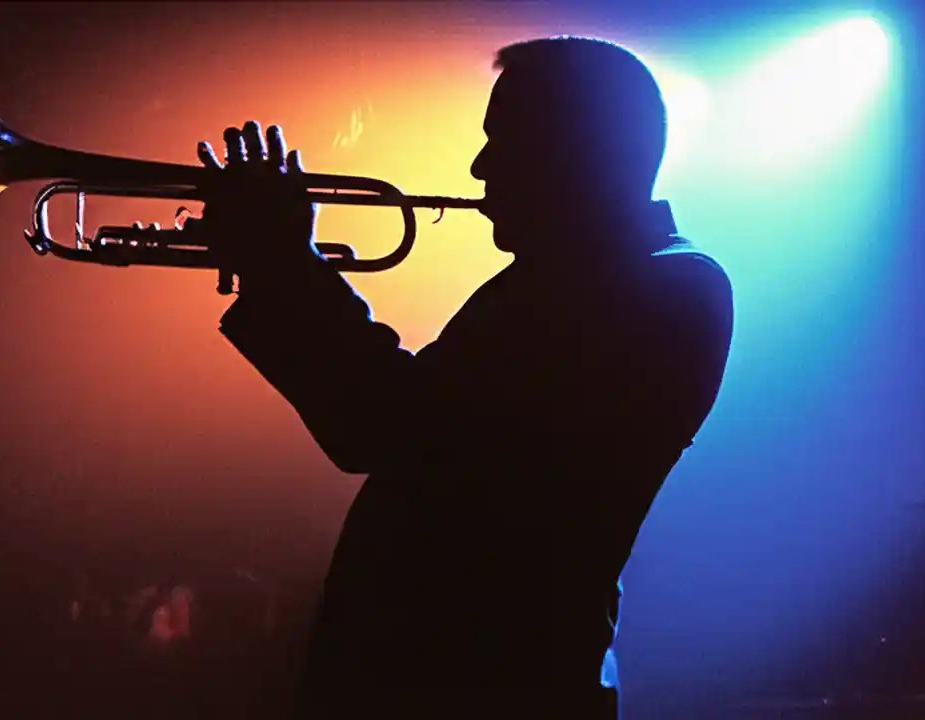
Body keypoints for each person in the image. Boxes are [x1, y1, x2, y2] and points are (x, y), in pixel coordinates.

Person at [194, 36, 734, 719]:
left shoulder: (670, 287)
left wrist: (282, 265)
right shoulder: (557, 279)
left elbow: (384, 425)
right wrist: (280, 267)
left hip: (491, 687)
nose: (480, 166)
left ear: (578, 152)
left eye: (503, 141)